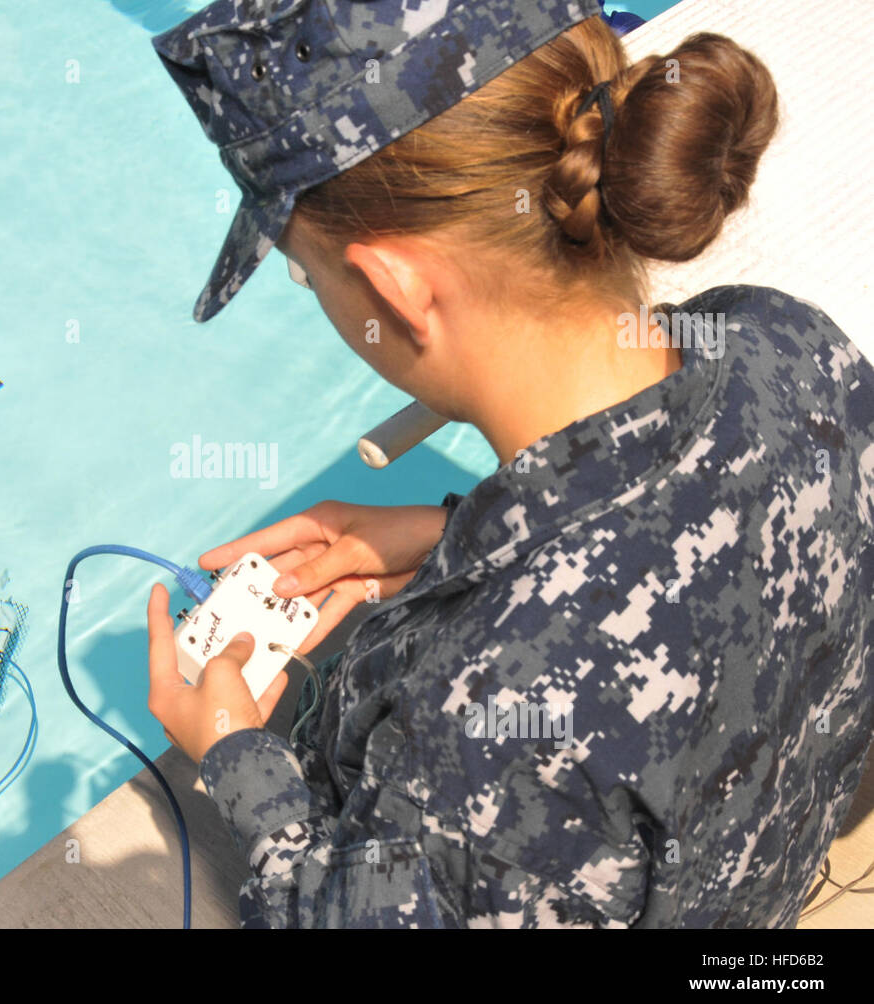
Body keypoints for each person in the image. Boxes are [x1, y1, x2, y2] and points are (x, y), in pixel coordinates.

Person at [143, 0, 874, 927]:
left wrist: (239, 761)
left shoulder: (497, 715)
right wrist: (466, 538)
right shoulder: (785, 339)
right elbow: (693, 528)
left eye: (304, 270)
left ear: (396, 288)